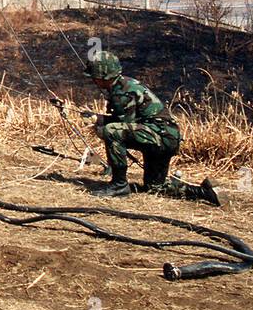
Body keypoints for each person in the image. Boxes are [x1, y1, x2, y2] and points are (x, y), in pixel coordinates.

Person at [83, 50, 218, 204]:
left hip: (159, 136)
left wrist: (99, 126)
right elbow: (125, 121)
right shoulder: (125, 85)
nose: (93, 80)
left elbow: (122, 126)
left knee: (110, 131)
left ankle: (119, 185)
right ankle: (204, 192)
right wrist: (98, 118)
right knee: (155, 187)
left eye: (94, 76)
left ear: (103, 76)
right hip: (165, 137)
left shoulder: (121, 92)